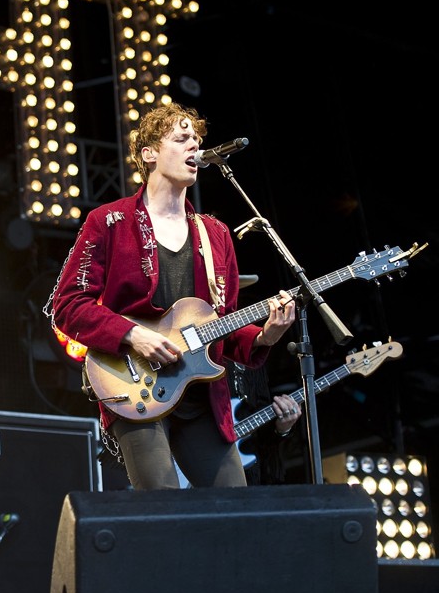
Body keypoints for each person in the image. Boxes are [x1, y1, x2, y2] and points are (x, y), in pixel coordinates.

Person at [45, 102, 300, 490]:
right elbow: (67, 305)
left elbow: (222, 326)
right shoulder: (109, 221)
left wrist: (266, 335)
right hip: (135, 386)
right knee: (164, 509)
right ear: (149, 154)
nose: (194, 147)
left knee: (237, 511)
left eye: (197, 140)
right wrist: (133, 335)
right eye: (181, 139)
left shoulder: (216, 235)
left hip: (202, 396)